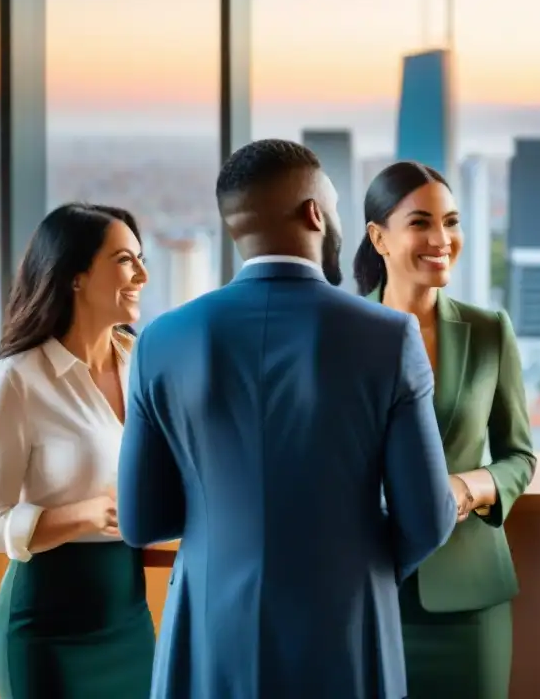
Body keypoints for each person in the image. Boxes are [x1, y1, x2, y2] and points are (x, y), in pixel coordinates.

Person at [116, 139, 458, 699]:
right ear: (315, 214)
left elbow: (141, 520)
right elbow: (427, 519)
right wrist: (355, 567)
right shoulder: (389, 337)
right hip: (347, 636)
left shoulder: (160, 341)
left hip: (208, 638)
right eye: (337, 208)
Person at [354, 161, 537, 699]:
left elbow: (519, 456)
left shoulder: (488, 331)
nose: (441, 239)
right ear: (379, 238)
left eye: (451, 222)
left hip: (469, 597)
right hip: (365, 589)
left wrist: (468, 487)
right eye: (421, 223)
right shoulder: (341, 333)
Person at [0, 203, 154, 698]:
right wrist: (87, 514)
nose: (142, 275)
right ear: (75, 276)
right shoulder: (16, 379)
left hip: (129, 619)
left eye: (141, 259)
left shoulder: (143, 362)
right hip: (45, 632)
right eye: (125, 260)